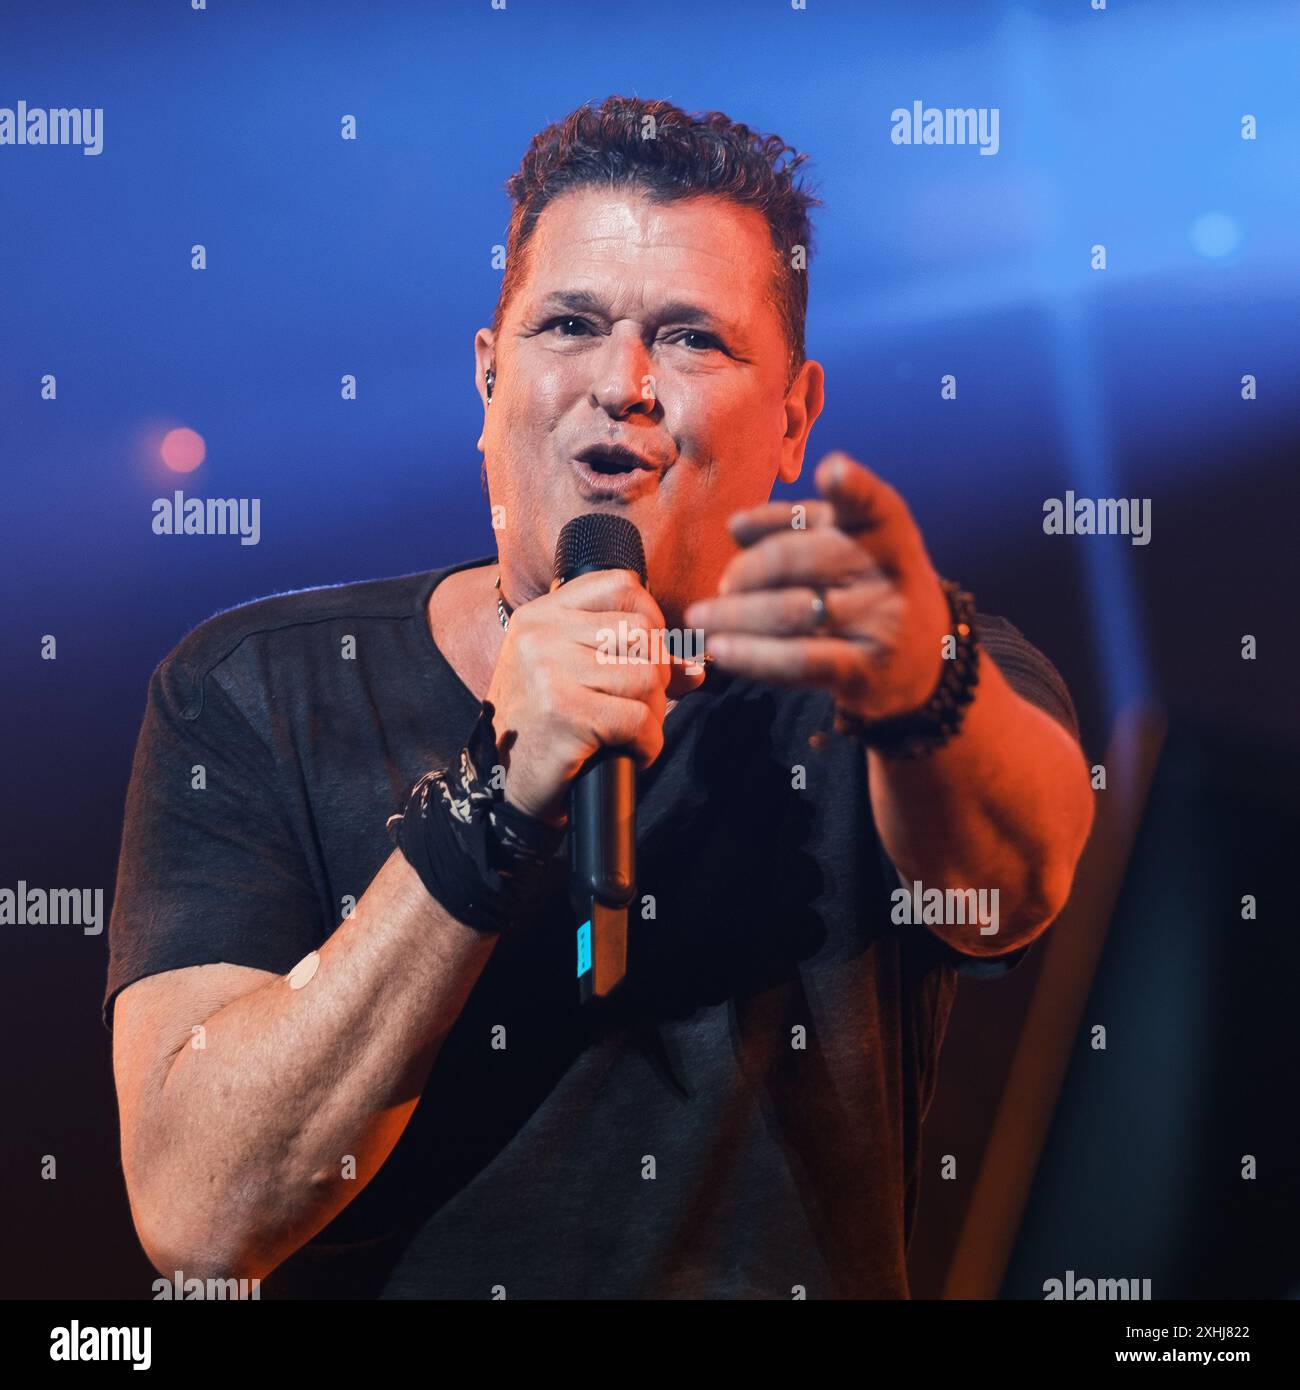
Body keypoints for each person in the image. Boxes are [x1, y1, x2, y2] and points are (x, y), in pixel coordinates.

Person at [105, 95, 1094, 1299]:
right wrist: (493, 797)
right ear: (488, 373)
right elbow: (198, 1215)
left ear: (794, 413)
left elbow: (1016, 892)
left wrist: (923, 686)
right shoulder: (257, 688)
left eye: (692, 340)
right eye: (569, 323)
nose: (623, 382)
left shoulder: (889, 672)